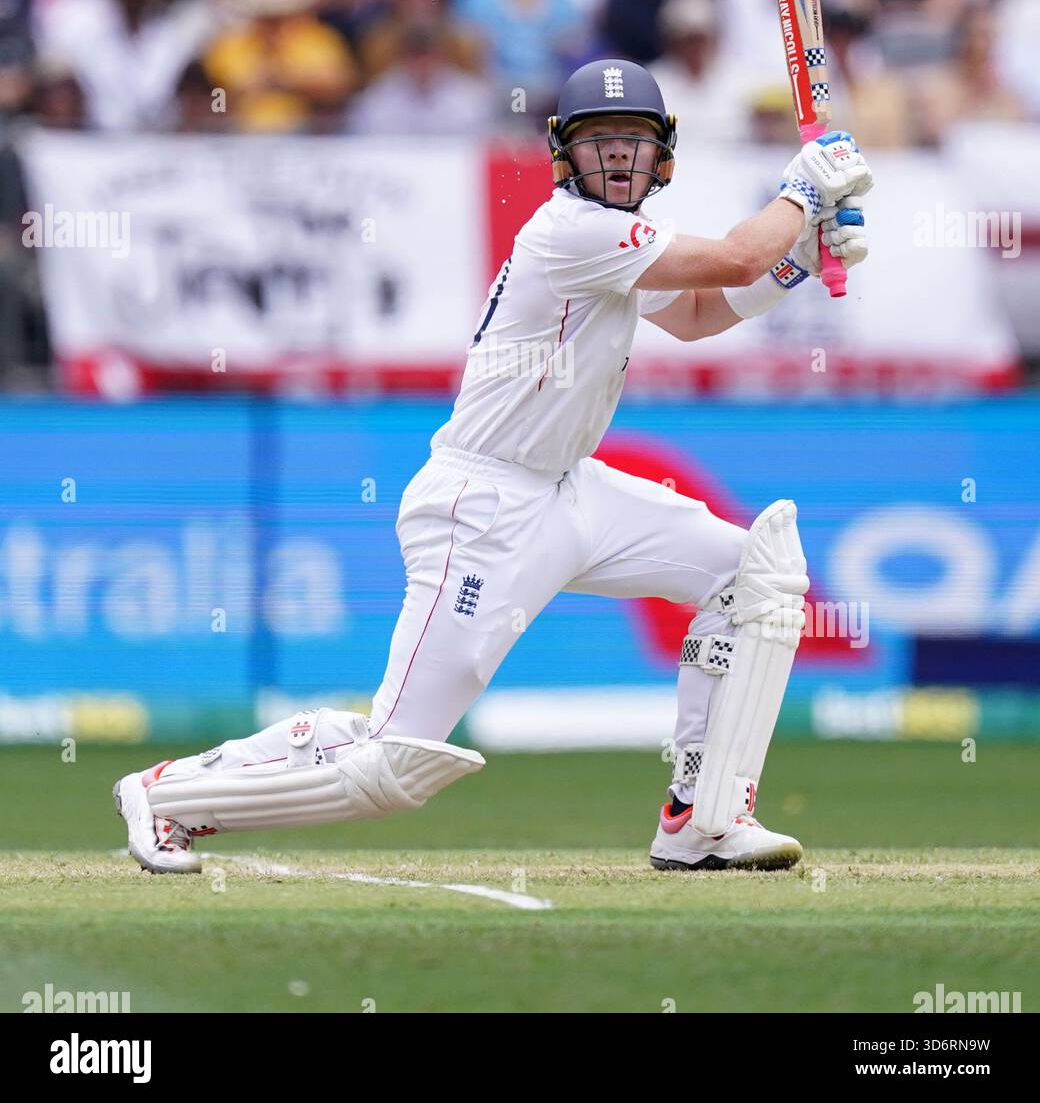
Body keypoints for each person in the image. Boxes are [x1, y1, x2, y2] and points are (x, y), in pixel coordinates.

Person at [114, 57, 872, 875]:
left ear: (665, 156)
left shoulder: (624, 245)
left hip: (570, 489)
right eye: (598, 142)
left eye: (634, 142)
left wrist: (798, 258)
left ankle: (704, 819)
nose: (617, 157)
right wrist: (805, 190)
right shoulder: (573, 230)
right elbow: (731, 259)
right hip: (483, 504)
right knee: (394, 760)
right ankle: (166, 795)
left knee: (753, 577)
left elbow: (696, 315)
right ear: (563, 156)